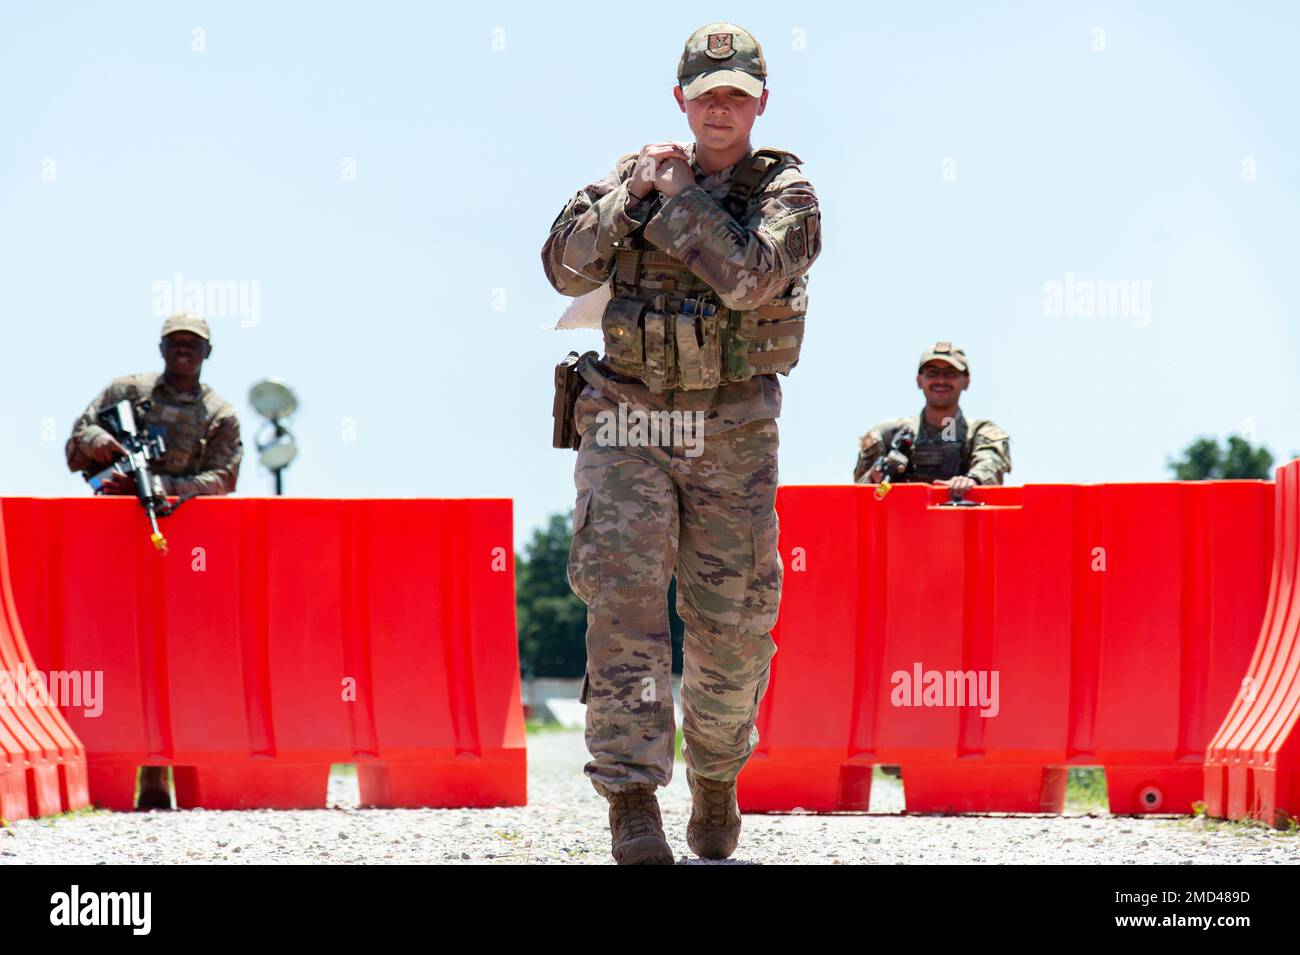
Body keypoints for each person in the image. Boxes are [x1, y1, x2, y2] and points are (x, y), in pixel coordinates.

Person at [542, 22, 822, 864]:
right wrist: (634, 195)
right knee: (622, 602)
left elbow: (750, 279)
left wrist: (677, 196)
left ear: (760, 103)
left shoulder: (789, 193)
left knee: (732, 625)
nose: (721, 108)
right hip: (628, 418)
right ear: (682, 101)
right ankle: (631, 800)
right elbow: (562, 267)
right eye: (707, 96)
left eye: (736, 95)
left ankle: (718, 776)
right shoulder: (634, 176)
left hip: (730, 427)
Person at [64, 311, 242, 809]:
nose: (183, 350)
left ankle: (158, 774)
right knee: (109, 652)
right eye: (174, 343)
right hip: (113, 542)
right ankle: (102, 770)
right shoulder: (125, 393)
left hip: (180, 547)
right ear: (161, 348)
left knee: (172, 657)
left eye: (193, 344)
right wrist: (109, 449)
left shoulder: (219, 413)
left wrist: (165, 488)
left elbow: (224, 478)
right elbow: (76, 443)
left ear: (208, 352)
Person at [853, 342, 1011, 493]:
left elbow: (990, 465)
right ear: (919, 380)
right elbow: (860, 496)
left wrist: (971, 481)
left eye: (950, 373)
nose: (941, 380)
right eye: (932, 373)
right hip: (900, 519)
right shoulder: (888, 435)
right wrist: (876, 478)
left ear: (966, 381)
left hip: (960, 519)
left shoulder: (980, 433)